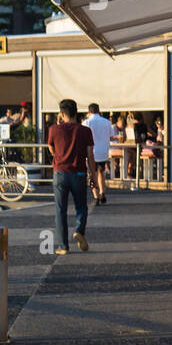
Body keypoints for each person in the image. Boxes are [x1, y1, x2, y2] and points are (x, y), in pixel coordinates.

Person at [46, 98, 96, 255]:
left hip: (60, 173)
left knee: (60, 210)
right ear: (76, 113)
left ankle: (63, 246)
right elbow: (90, 155)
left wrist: (57, 156)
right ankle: (79, 230)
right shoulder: (85, 131)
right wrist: (93, 175)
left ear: (61, 114)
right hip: (79, 173)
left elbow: (50, 146)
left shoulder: (54, 129)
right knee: (81, 206)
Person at [83, 103, 114, 205]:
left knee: (92, 174)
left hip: (91, 152)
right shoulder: (106, 122)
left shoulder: (86, 122)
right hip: (103, 151)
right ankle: (102, 192)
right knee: (101, 172)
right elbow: (111, 136)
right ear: (99, 110)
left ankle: (96, 196)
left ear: (89, 112)